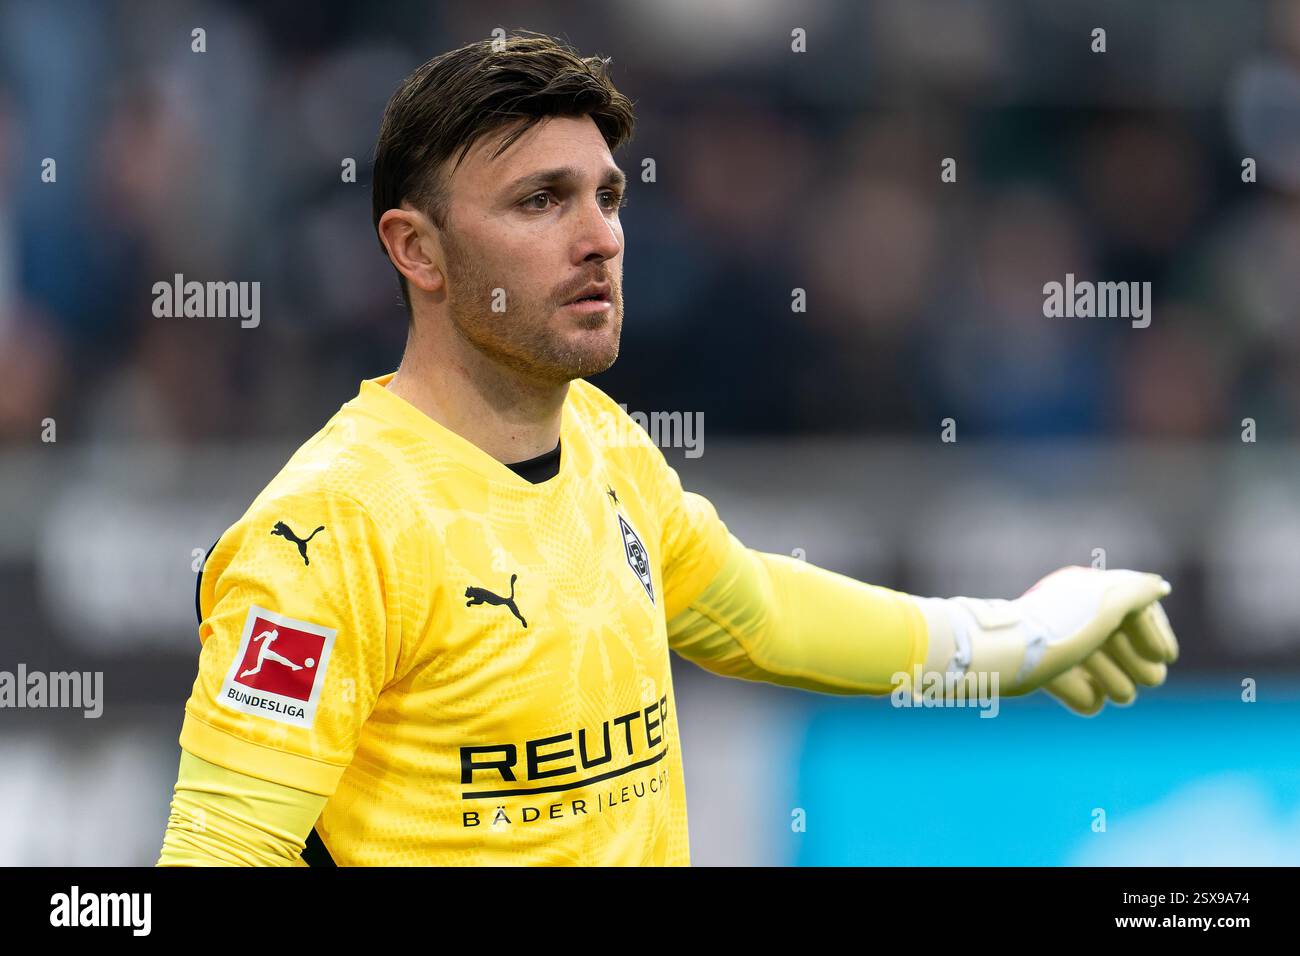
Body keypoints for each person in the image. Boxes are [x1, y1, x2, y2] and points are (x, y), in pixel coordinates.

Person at [157, 31, 1178, 867]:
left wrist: (1016, 643)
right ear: (414, 248)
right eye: (539, 200)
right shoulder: (331, 528)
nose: (598, 236)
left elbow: (758, 611)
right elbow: (216, 853)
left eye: (606, 196)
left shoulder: (600, 439)